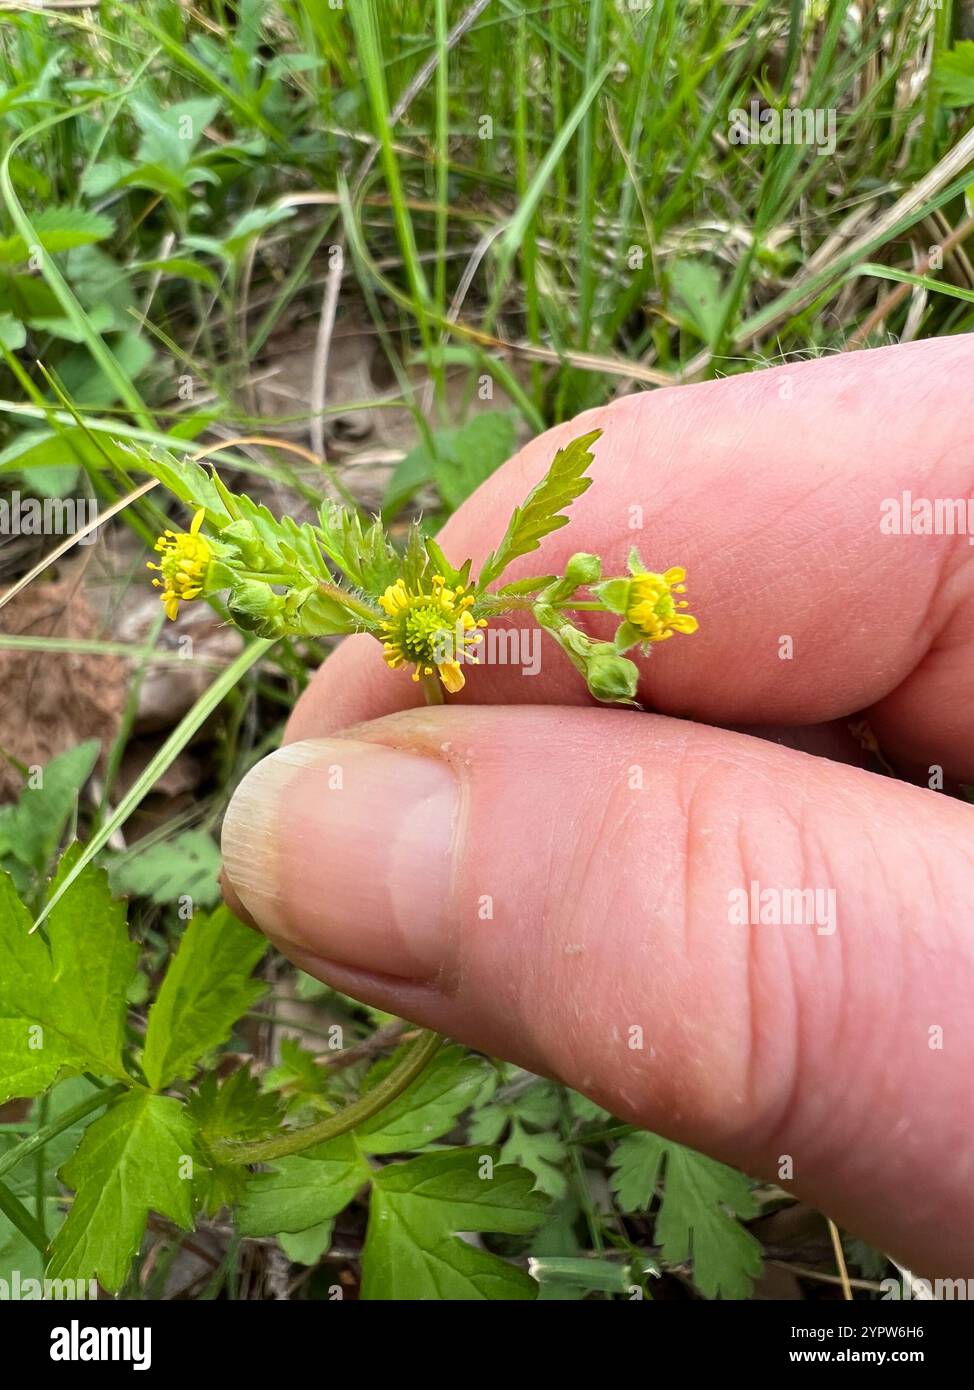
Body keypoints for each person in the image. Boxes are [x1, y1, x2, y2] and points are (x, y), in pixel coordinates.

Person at [222, 334, 974, 1279]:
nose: (636, 609)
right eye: (637, 605)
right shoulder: (432, 625)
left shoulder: (512, 616)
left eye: (642, 605)